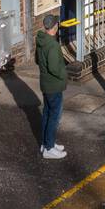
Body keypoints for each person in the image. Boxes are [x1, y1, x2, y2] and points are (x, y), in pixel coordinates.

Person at [35, 13, 67, 159]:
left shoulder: (41, 41)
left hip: (45, 84)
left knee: (47, 115)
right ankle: (49, 148)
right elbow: (54, 68)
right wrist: (63, 74)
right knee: (54, 117)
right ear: (55, 27)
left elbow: (37, 60)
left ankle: (47, 143)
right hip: (54, 86)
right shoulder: (53, 45)